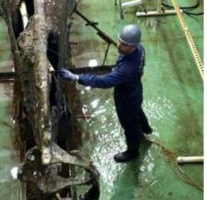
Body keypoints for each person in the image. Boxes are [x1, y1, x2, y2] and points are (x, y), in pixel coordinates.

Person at [59, 24, 152, 163]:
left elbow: (103, 81)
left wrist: (77, 77)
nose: (119, 45)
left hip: (125, 96)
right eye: (120, 40)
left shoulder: (127, 70)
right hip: (135, 89)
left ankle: (133, 152)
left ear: (133, 46)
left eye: (124, 44)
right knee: (137, 110)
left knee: (129, 124)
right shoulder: (140, 49)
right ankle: (146, 129)